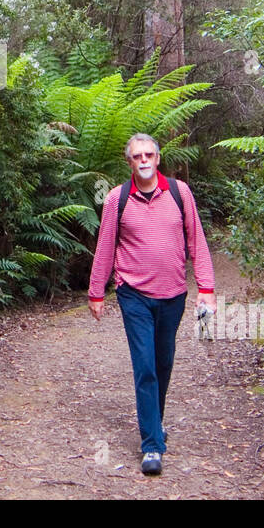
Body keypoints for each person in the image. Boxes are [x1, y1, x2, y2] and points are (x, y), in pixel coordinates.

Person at [88, 132, 217, 475]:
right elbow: (105, 247)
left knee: (163, 364)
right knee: (144, 366)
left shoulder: (179, 193)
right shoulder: (117, 199)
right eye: (137, 156)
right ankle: (151, 446)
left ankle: (154, 424)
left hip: (173, 294)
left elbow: (196, 239)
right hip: (133, 294)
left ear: (158, 159)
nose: (143, 161)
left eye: (149, 155)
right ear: (128, 161)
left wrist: (207, 287)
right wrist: (96, 291)